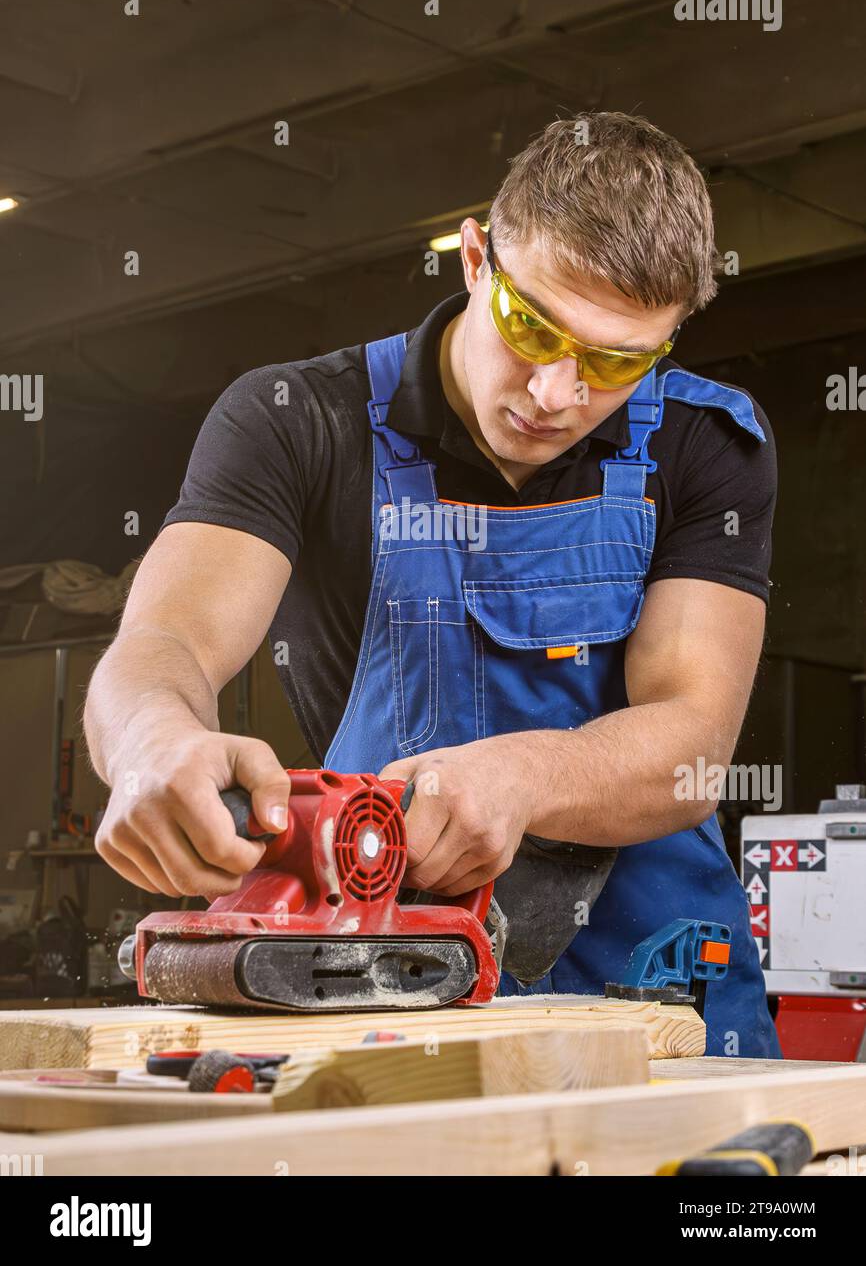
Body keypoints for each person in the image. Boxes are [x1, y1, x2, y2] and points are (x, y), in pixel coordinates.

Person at [85, 112, 780, 1056]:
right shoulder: (296, 420)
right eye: (532, 327)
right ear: (474, 260)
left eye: (616, 362)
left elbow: (695, 734)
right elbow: (166, 643)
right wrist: (151, 743)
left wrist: (524, 776)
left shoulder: (707, 443)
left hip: (661, 989)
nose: (555, 395)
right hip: (390, 979)